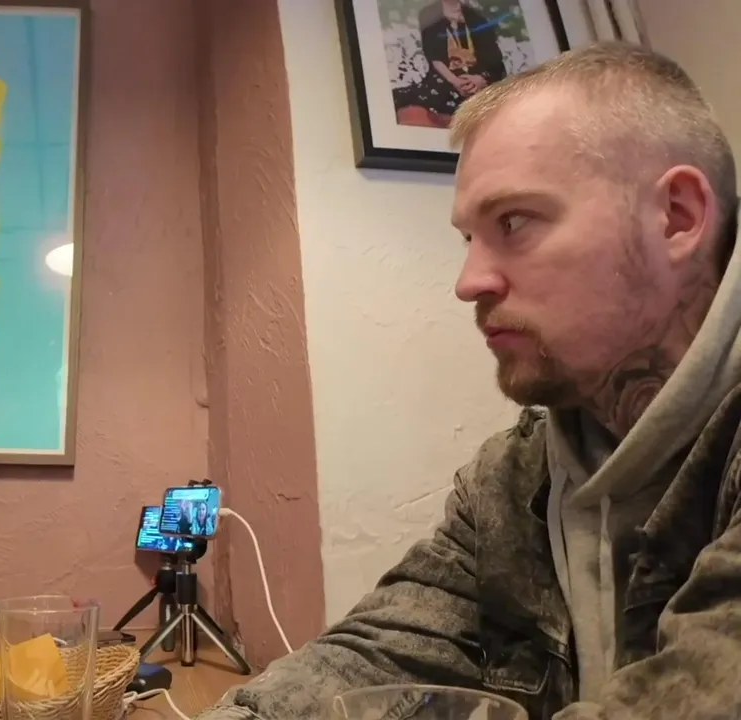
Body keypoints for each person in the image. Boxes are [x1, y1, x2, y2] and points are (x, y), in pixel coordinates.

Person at [197, 42, 741, 719]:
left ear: (678, 216)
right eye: (468, 239)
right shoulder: (512, 480)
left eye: (513, 222)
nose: (468, 282)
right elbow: (379, 654)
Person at [393, 0, 508, 128]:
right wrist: (455, 81)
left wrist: (479, 79)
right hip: (445, 78)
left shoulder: (477, 19)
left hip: (477, 81)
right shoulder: (429, 14)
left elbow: (493, 57)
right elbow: (434, 57)